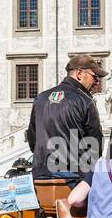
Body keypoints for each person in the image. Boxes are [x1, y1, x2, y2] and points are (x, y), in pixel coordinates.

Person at [26, 53, 106, 182]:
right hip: (72, 176)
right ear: (79, 73)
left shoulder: (41, 98)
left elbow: (32, 138)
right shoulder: (85, 101)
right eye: (95, 76)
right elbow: (95, 145)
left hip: (40, 174)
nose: (97, 82)